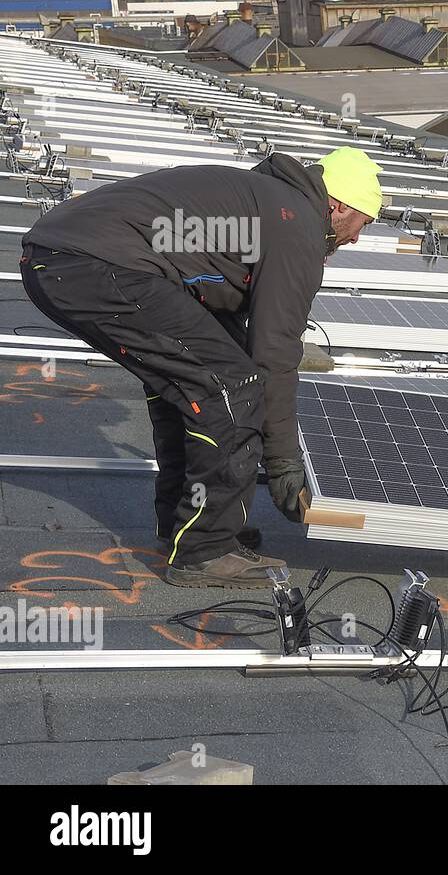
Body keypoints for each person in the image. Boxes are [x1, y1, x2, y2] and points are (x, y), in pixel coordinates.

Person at [19, 147, 382, 587]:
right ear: (338, 205)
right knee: (233, 388)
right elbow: (275, 354)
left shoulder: (264, 203)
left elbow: (226, 332)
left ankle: (192, 524)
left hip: (63, 258)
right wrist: (284, 463)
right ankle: (204, 550)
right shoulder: (297, 223)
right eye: (365, 221)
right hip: (94, 264)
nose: (358, 237)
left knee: (203, 383)